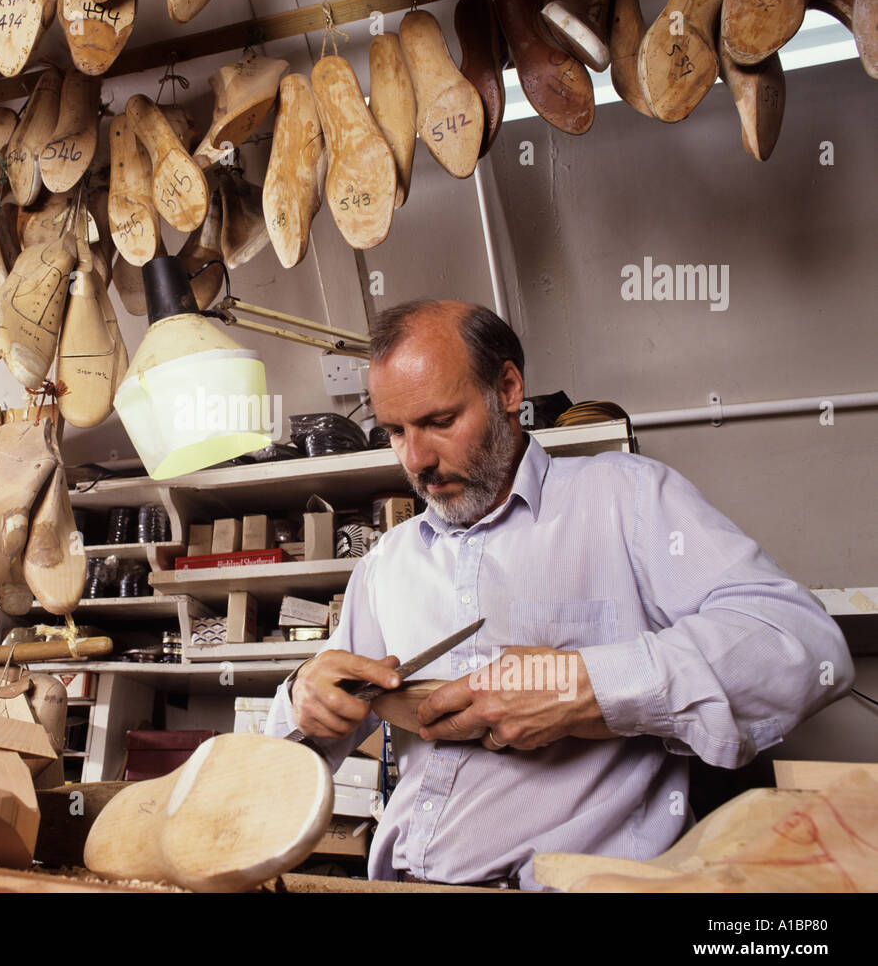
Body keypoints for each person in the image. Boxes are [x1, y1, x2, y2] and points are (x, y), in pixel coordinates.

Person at [264, 299, 853, 889]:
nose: (416, 460)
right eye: (396, 431)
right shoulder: (385, 564)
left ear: (509, 388)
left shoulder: (629, 501)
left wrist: (585, 689)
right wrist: (302, 698)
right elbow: (281, 771)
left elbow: (802, 644)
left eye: (441, 421)